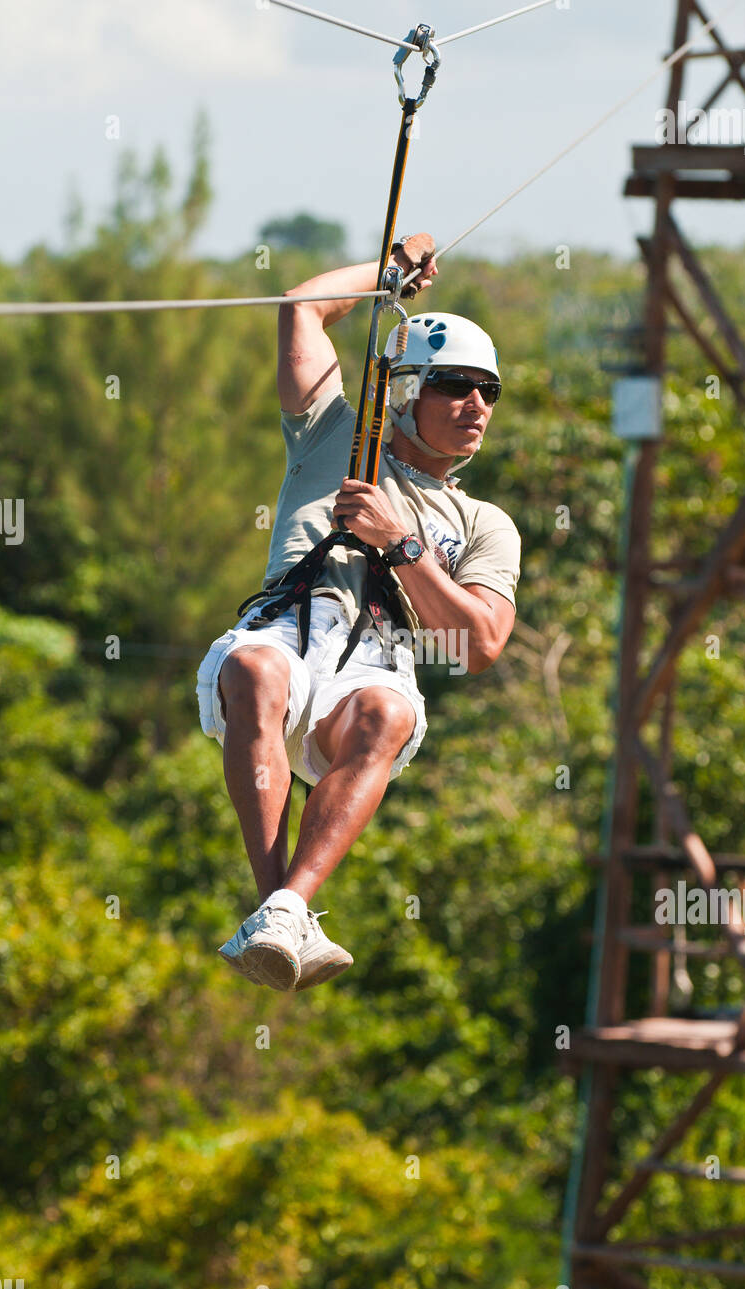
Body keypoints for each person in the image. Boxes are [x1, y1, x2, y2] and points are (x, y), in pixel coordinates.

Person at [196, 233, 521, 992]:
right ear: (405, 391)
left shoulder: (483, 524)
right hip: (289, 619)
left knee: (386, 714)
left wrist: (400, 543)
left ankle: (286, 906)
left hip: (376, 655)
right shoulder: (332, 435)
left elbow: (478, 645)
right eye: (455, 386)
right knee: (252, 667)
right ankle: (279, 910)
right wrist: (389, 278)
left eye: (488, 391)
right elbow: (301, 308)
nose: (476, 405)